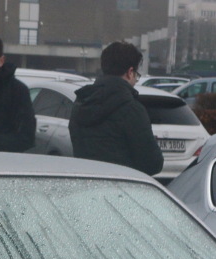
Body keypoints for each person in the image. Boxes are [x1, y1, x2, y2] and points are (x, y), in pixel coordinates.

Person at [69, 42, 163, 177]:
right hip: (122, 189)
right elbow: (153, 164)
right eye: (136, 74)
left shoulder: (81, 102)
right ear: (130, 72)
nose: (136, 80)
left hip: (87, 187)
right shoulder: (131, 109)